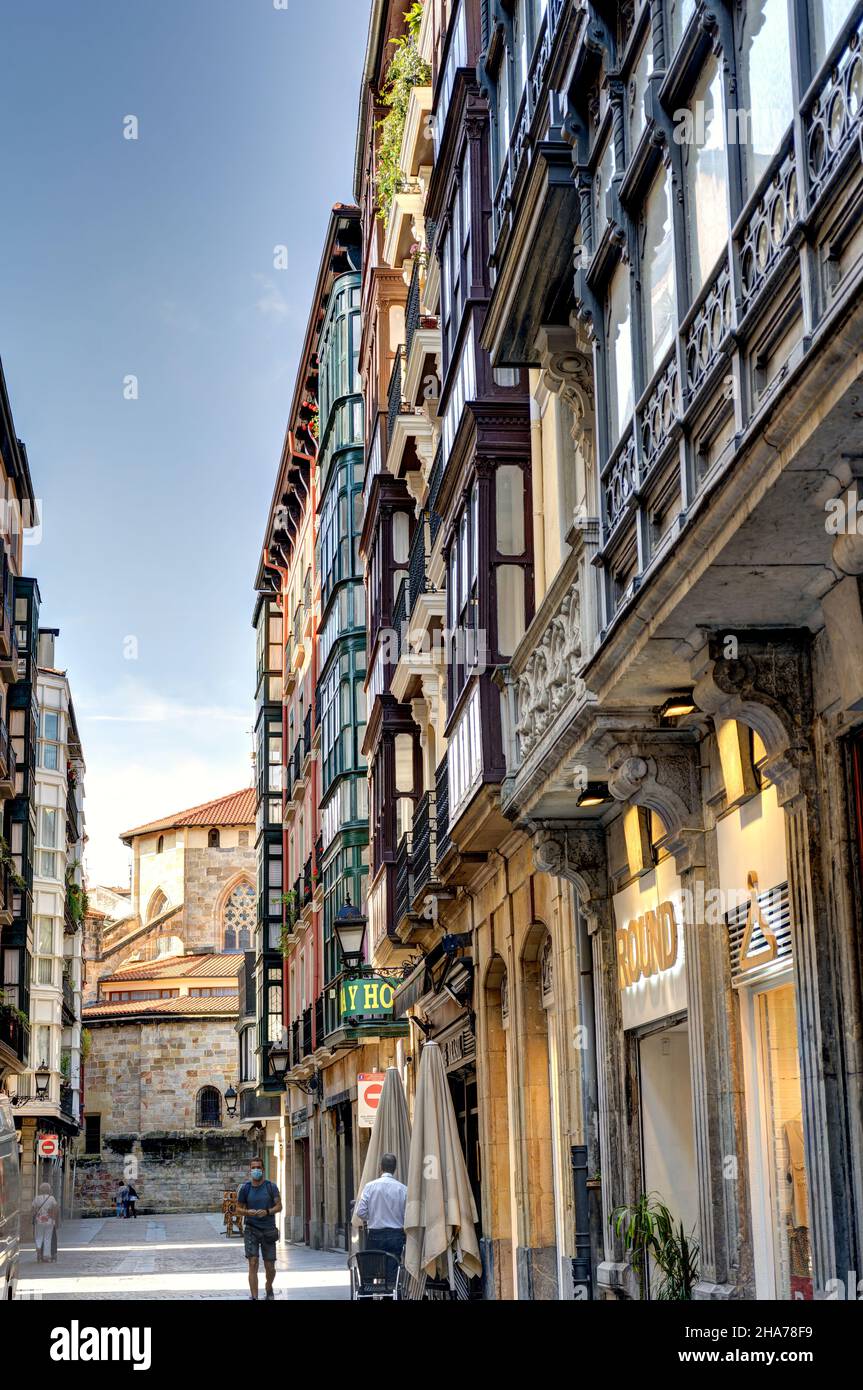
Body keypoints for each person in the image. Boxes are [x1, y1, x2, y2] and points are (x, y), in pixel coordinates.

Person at [236, 1159, 282, 1301]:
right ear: (250, 1170)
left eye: (259, 1167)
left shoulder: (271, 1187)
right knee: (253, 1262)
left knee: (270, 1267)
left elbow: (279, 1206)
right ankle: (254, 1296)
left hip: (268, 1230)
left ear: (263, 1169)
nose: (256, 1170)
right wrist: (248, 1212)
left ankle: (269, 1286)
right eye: (253, 1168)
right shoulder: (245, 1188)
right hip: (251, 1229)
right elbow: (238, 1209)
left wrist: (267, 1211)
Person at [355, 1153, 406, 1260]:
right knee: (392, 1269)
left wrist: (373, 1217)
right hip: (396, 1235)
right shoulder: (403, 1189)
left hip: (375, 1234)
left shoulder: (370, 1186)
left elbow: (360, 1212)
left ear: (380, 1167)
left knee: (371, 1268)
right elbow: (407, 1213)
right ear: (395, 1169)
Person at [32, 1183, 59, 1263]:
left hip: (39, 1220)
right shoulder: (51, 1198)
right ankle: (46, 1256)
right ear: (49, 1190)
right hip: (49, 1220)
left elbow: (33, 1208)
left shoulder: (37, 1198)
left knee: (39, 1237)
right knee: (47, 1238)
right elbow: (55, 1209)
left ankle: (39, 1254)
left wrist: (36, 1215)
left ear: (40, 1190)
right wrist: (54, 1219)